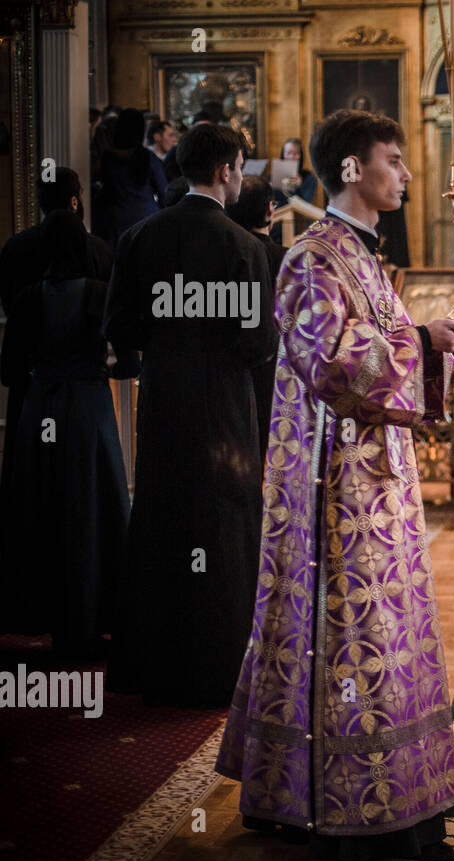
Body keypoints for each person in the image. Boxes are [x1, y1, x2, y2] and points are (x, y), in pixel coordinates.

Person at [215, 110, 454, 861]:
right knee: (354, 646)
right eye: (394, 160)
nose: (406, 174)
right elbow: (332, 361)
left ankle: (398, 798)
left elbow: (386, 351)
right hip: (333, 493)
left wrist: (433, 340)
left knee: (393, 644)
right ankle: (352, 811)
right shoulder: (308, 259)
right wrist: (420, 338)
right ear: (354, 170)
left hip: (376, 487)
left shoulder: (361, 256)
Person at [103, 123, 277, 707]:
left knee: (162, 521)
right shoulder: (246, 248)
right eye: (241, 166)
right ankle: (225, 668)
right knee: (226, 530)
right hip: (227, 408)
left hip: (165, 401)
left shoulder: (139, 237)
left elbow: (121, 330)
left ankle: (158, 667)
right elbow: (258, 343)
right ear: (227, 169)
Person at [0, 211, 135, 659]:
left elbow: (8, 371)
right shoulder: (99, 294)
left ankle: (46, 615)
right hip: (88, 412)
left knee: (40, 511)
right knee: (92, 512)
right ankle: (92, 620)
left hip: (40, 410)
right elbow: (130, 362)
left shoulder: (26, 299)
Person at [228, 173, 285, 459]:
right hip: (279, 371)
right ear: (270, 209)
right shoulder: (288, 259)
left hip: (230, 370)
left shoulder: (225, 255)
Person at [93, 108, 168, 247]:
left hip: (114, 221)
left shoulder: (107, 159)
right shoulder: (147, 158)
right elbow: (164, 193)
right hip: (146, 218)